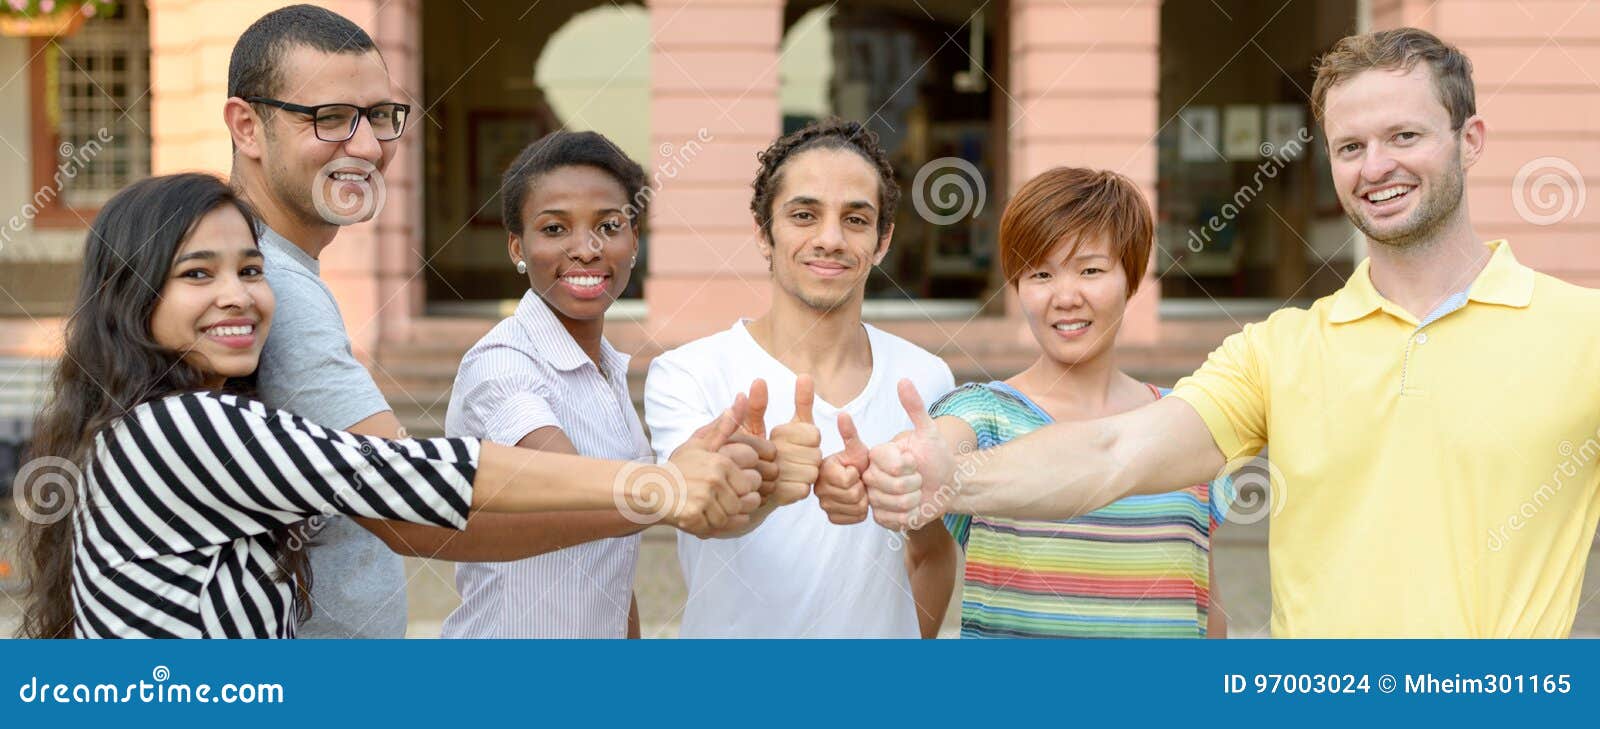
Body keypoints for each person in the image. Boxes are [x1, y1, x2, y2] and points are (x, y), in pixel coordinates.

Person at [863, 27, 1600, 638]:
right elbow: (1115, 452)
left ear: (1470, 139)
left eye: (1404, 135)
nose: (1376, 167)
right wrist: (953, 477)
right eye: (1349, 147)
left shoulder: (1582, 332)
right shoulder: (1276, 350)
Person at [14, 173, 761, 639]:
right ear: (132, 295)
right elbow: (403, 473)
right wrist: (659, 485)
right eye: (197, 274)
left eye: (250, 269)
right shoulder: (181, 428)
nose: (237, 295)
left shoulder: (154, 424)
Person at [821, 167, 1229, 638]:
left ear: (1131, 279)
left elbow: (1206, 598)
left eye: (1091, 270)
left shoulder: (1186, 421)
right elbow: (935, 451)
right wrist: (895, 466)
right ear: (1017, 286)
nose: (1066, 297)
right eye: (1041, 274)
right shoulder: (982, 414)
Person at [438, 130, 778, 638]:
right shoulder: (502, 365)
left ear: (634, 241)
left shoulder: (607, 369)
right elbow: (572, 492)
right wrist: (674, 484)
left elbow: (607, 565)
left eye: (608, 226)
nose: (586, 249)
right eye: (554, 229)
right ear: (517, 247)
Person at [644, 118, 956, 638]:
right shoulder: (688, 373)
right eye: (804, 215)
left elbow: (931, 554)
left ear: (882, 241)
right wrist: (768, 488)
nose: (830, 239)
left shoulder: (924, 379)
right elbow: (698, 511)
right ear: (763, 233)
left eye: (855, 219)